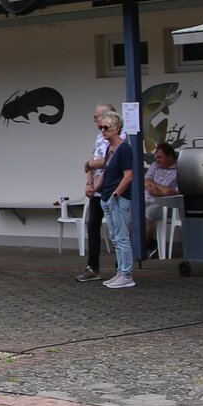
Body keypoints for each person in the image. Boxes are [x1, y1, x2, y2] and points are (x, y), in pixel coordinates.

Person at [94, 113, 139, 290]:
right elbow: (106, 170)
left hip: (118, 199)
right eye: (101, 128)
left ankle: (126, 274)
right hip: (107, 196)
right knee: (115, 237)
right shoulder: (109, 149)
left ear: (117, 128)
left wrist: (116, 195)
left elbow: (129, 176)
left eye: (107, 127)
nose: (103, 131)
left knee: (121, 237)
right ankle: (120, 272)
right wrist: (98, 187)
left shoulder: (124, 149)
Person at [73, 102, 116, 283]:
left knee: (116, 229)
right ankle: (93, 267)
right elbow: (91, 160)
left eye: (96, 117)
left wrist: (90, 164)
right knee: (92, 227)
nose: (94, 120)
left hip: (113, 189)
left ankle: (121, 268)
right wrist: (89, 182)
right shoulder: (99, 136)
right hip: (97, 190)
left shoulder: (119, 136)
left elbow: (109, 160)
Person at [143, 141, 180, 257]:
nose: (157, 160)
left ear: (170, 156)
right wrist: (162, 188)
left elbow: (173, 192)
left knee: (148, 214)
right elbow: (146, 181)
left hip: (165, 205)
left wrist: (157, 190)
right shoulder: (155, 166)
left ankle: (138, 249)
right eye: (156, 157)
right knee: (128, 213)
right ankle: (151, 245)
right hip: (146, 199)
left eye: (160, 157)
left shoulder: (180, 170)